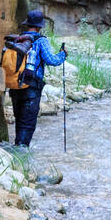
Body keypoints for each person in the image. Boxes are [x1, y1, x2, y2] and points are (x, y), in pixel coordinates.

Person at [8, 10, 67, 148]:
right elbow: (51, 60)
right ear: (40, 26)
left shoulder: (18, 40)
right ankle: (21, 152)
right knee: (28, 122)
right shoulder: (41, 41)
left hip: (15, 85)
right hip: (32, 87)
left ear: (27, 24)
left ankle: (17, 149)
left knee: (19, 119)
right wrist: (63, 55)